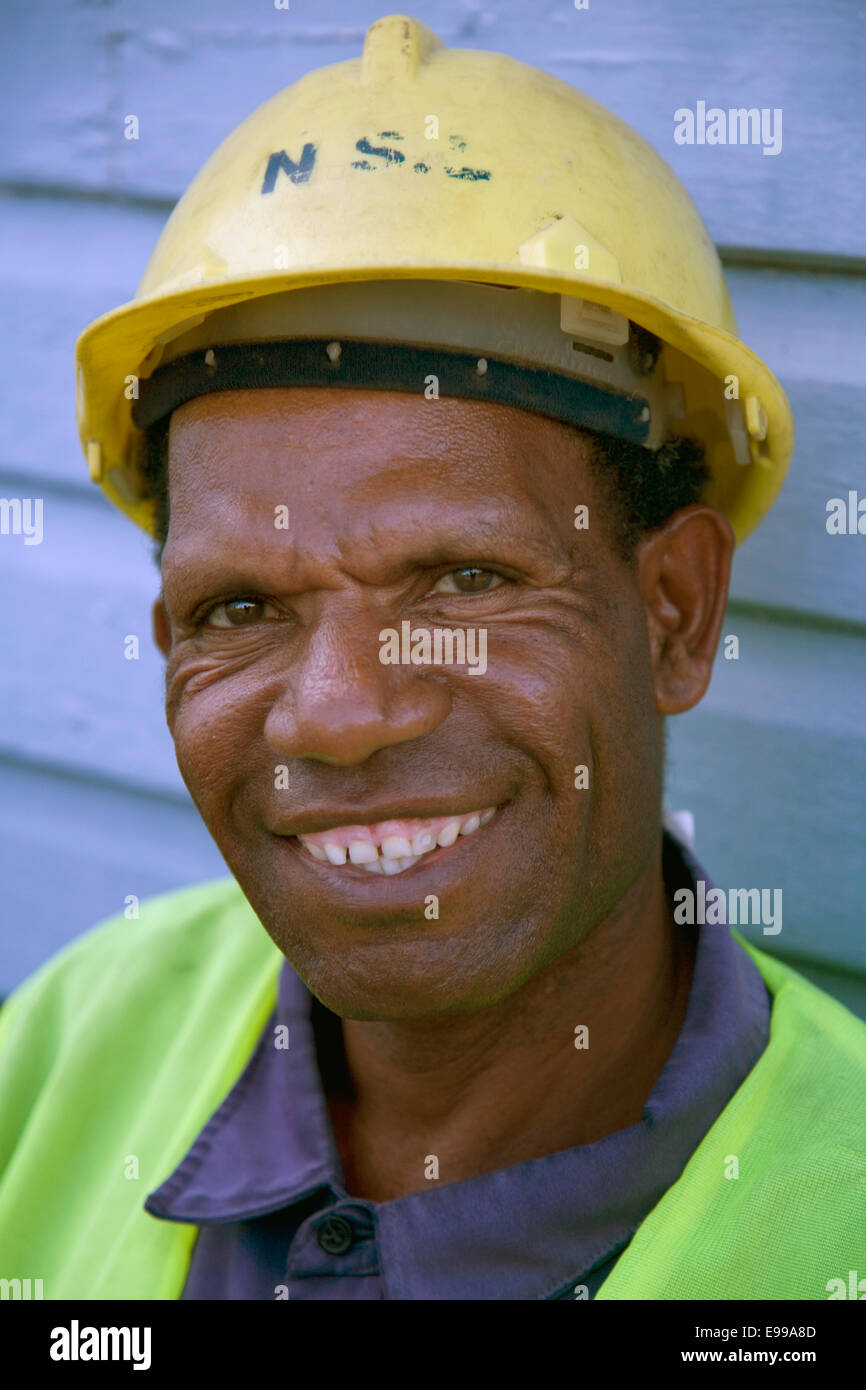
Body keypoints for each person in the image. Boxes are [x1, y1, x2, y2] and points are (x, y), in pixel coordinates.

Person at [1, 14, 863, 1302]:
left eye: (466, 580)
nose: (337, 716)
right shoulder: (74, 1037)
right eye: (239, 609)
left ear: (674, 612)